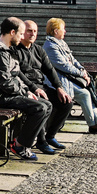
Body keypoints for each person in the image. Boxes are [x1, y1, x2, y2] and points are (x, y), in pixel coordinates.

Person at [0, 16, 50, 160]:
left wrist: (31, 89)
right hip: (1, 97)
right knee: (40, 108)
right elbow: (5, 83)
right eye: (21, 33)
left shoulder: (6, 50)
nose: (23, 36)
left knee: (47, 105)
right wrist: (25, 92)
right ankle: (20, 145)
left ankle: (22, 142)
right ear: (12, 32)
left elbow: (16, 74)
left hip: (10, 94)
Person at [42, 17, 97, 135]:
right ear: (56, 31)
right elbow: (63, 66)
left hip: (67, 79)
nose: (65, 31)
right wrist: (81, 74)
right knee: (85, 94)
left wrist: (82, 70)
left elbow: (73, 60)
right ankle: (95, 125)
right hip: (58, 82)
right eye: (63, 29)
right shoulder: (50, 46)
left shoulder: (61, 43)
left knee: (85, 93)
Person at [16, 19, 73, 153]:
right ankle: (41, 142)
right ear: (22, 32)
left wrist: (59, 87)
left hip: (41, 86)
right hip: (25, 89)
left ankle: (50, 136)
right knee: (44, 104)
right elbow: (18, 74)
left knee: (66, 102)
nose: (33, 34)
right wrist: (34, 89)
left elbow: (50, 70)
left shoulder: (38, 50)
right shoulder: (15, 50)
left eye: (35, 31)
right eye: (29, 31)